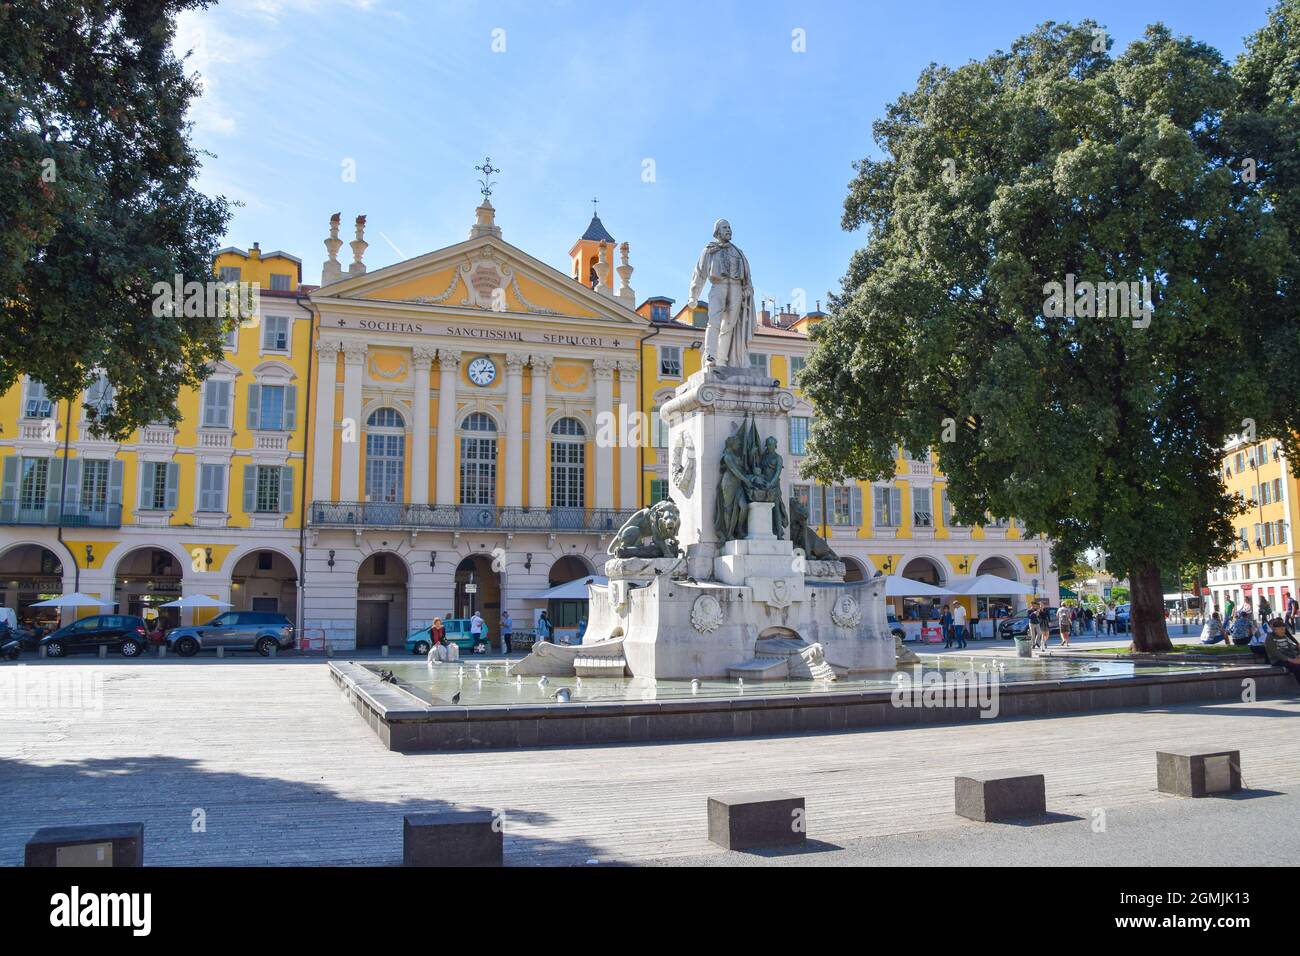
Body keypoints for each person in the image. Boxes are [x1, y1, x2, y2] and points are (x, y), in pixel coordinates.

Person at [1264, 617, 1300, 686]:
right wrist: (1291, 660)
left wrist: (1296, 656)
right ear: (1275, 629)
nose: (1283, 631)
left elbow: (1291, 648)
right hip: (1278, 660)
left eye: (1284, 629)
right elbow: (1275, 653)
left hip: (1289, 658)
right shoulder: (1270, 638)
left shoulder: (1284, 636)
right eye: (1281, 629)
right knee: (1296, 667)